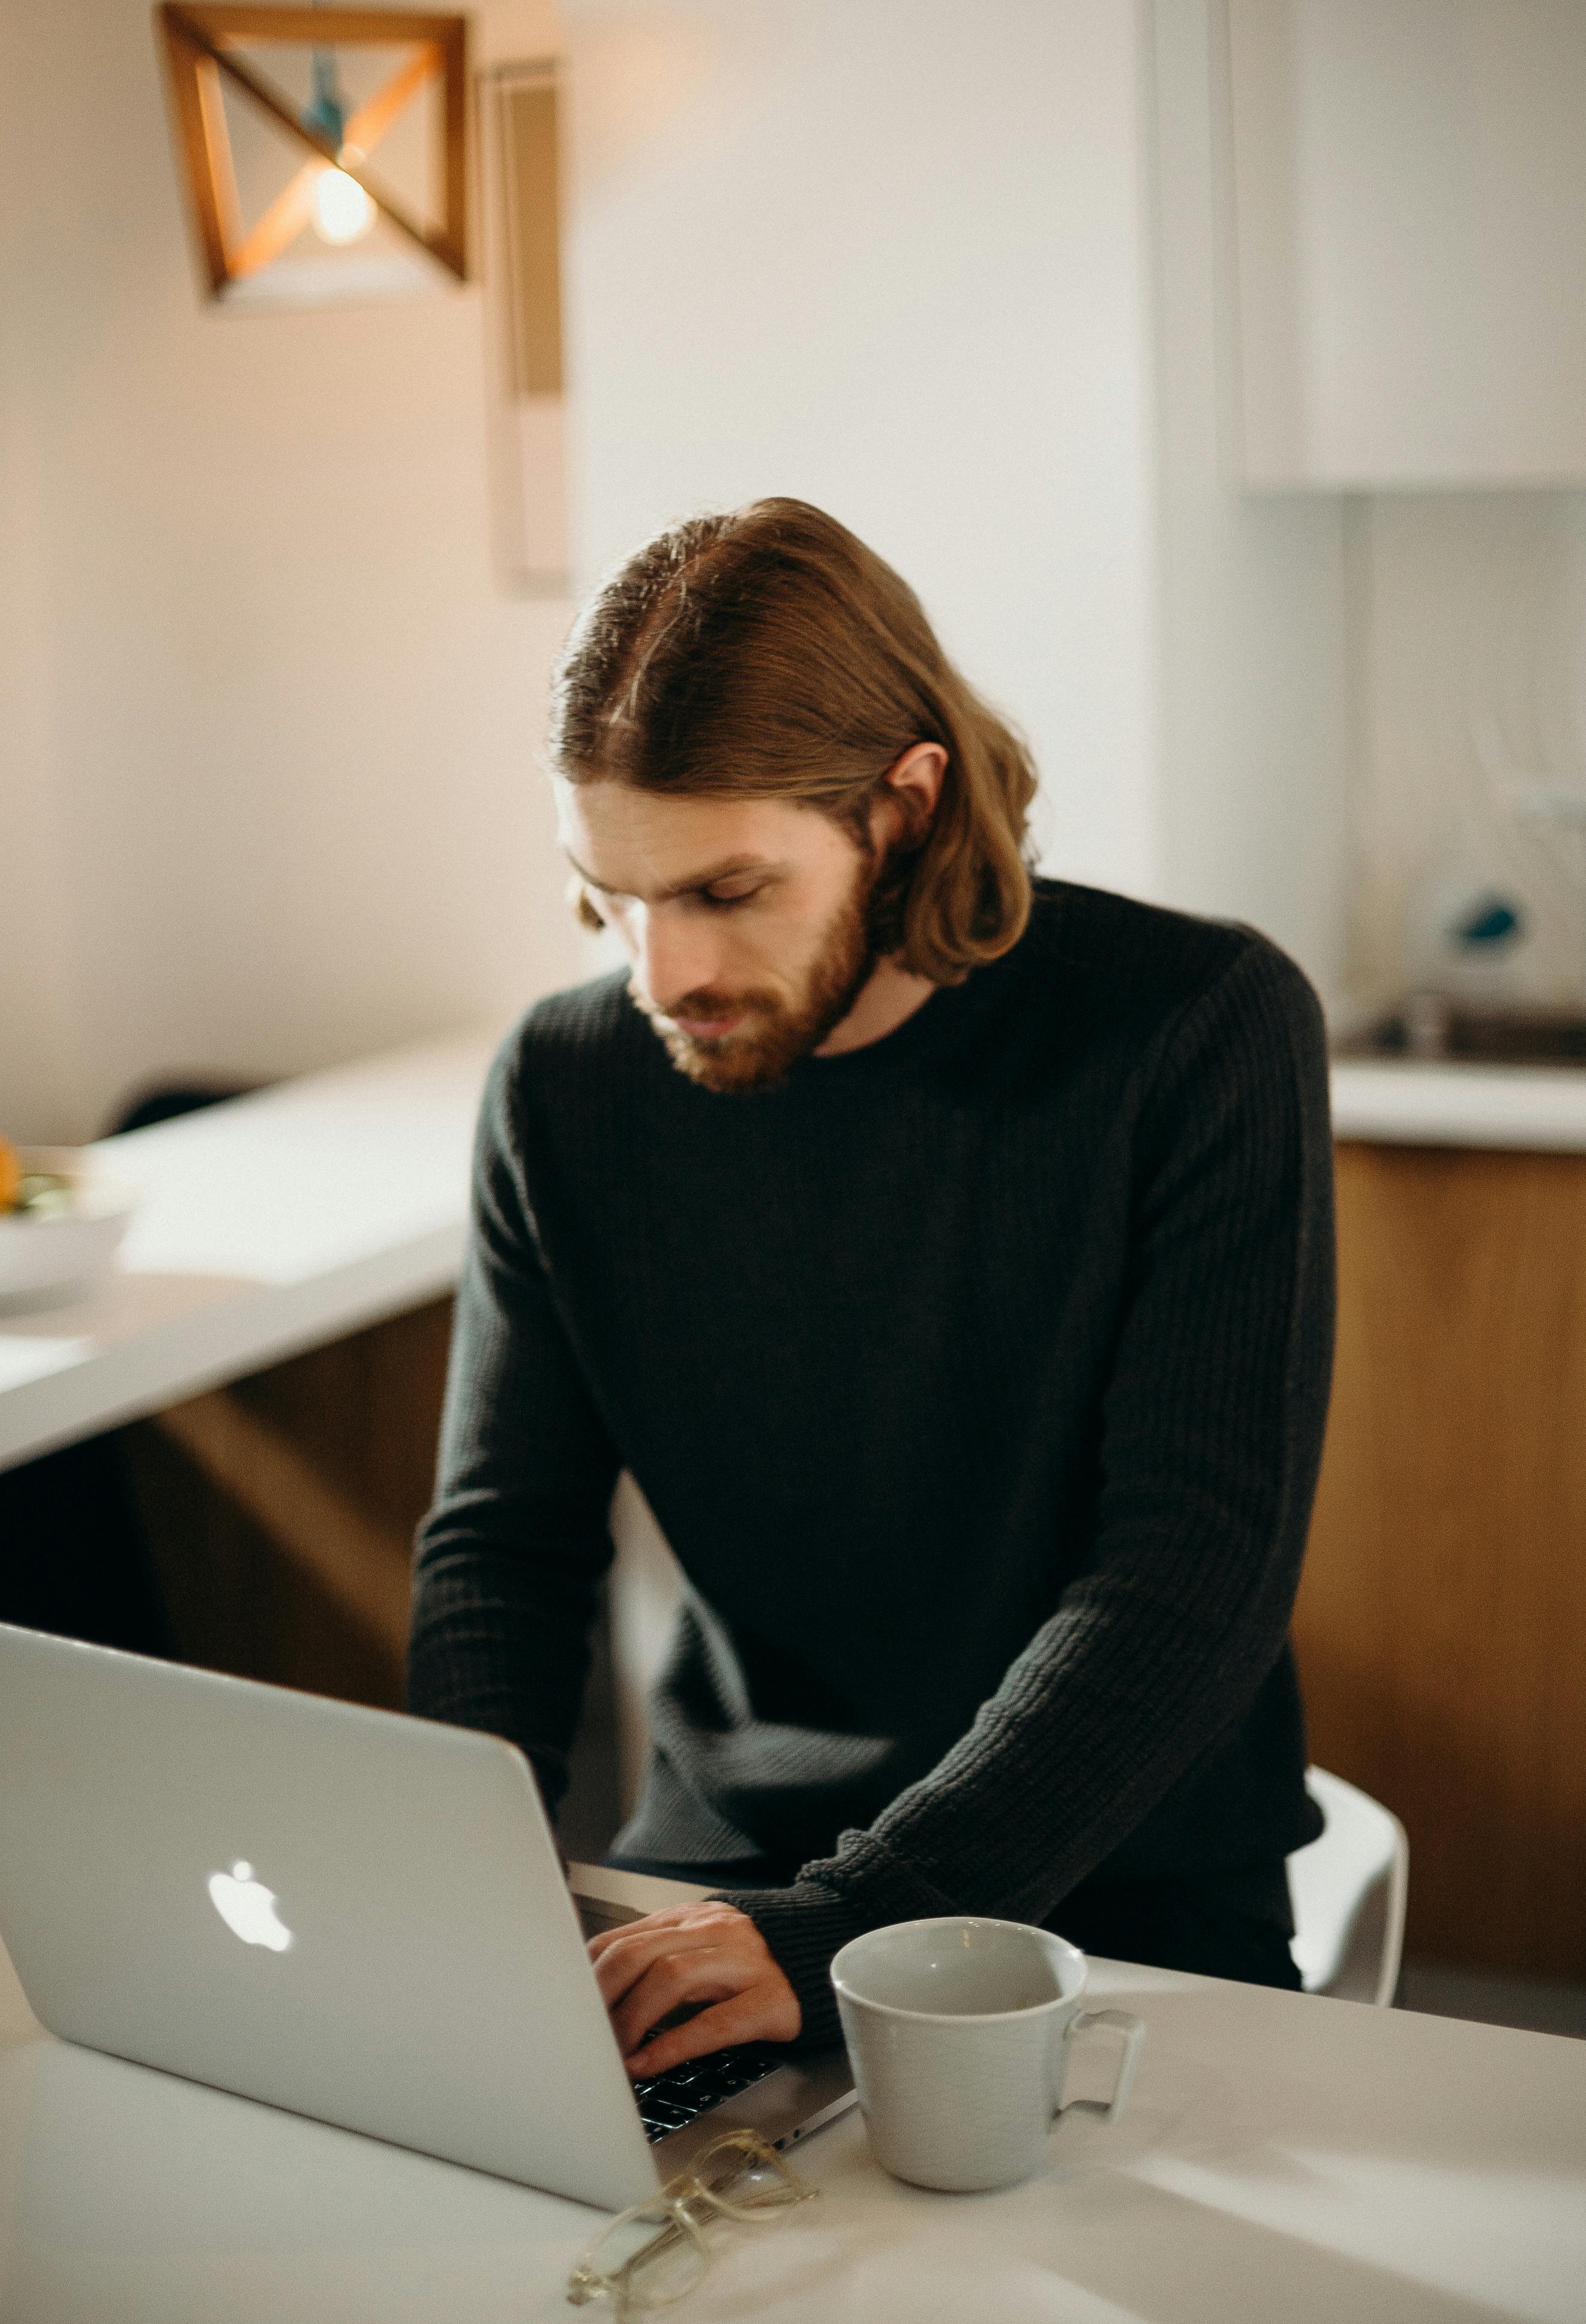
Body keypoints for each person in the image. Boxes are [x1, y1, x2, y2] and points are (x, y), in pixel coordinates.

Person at [407, 497, 1335, 2084]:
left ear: (902, 806)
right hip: (709, 1885)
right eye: (607, 895)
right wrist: (446, 1900)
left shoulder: (1193, 1033)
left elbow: (1189, 1571)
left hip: (1113, 1894)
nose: (660, 973)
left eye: (723, 892)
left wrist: (848, 1924)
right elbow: (506, 1543)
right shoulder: (563, 1091)